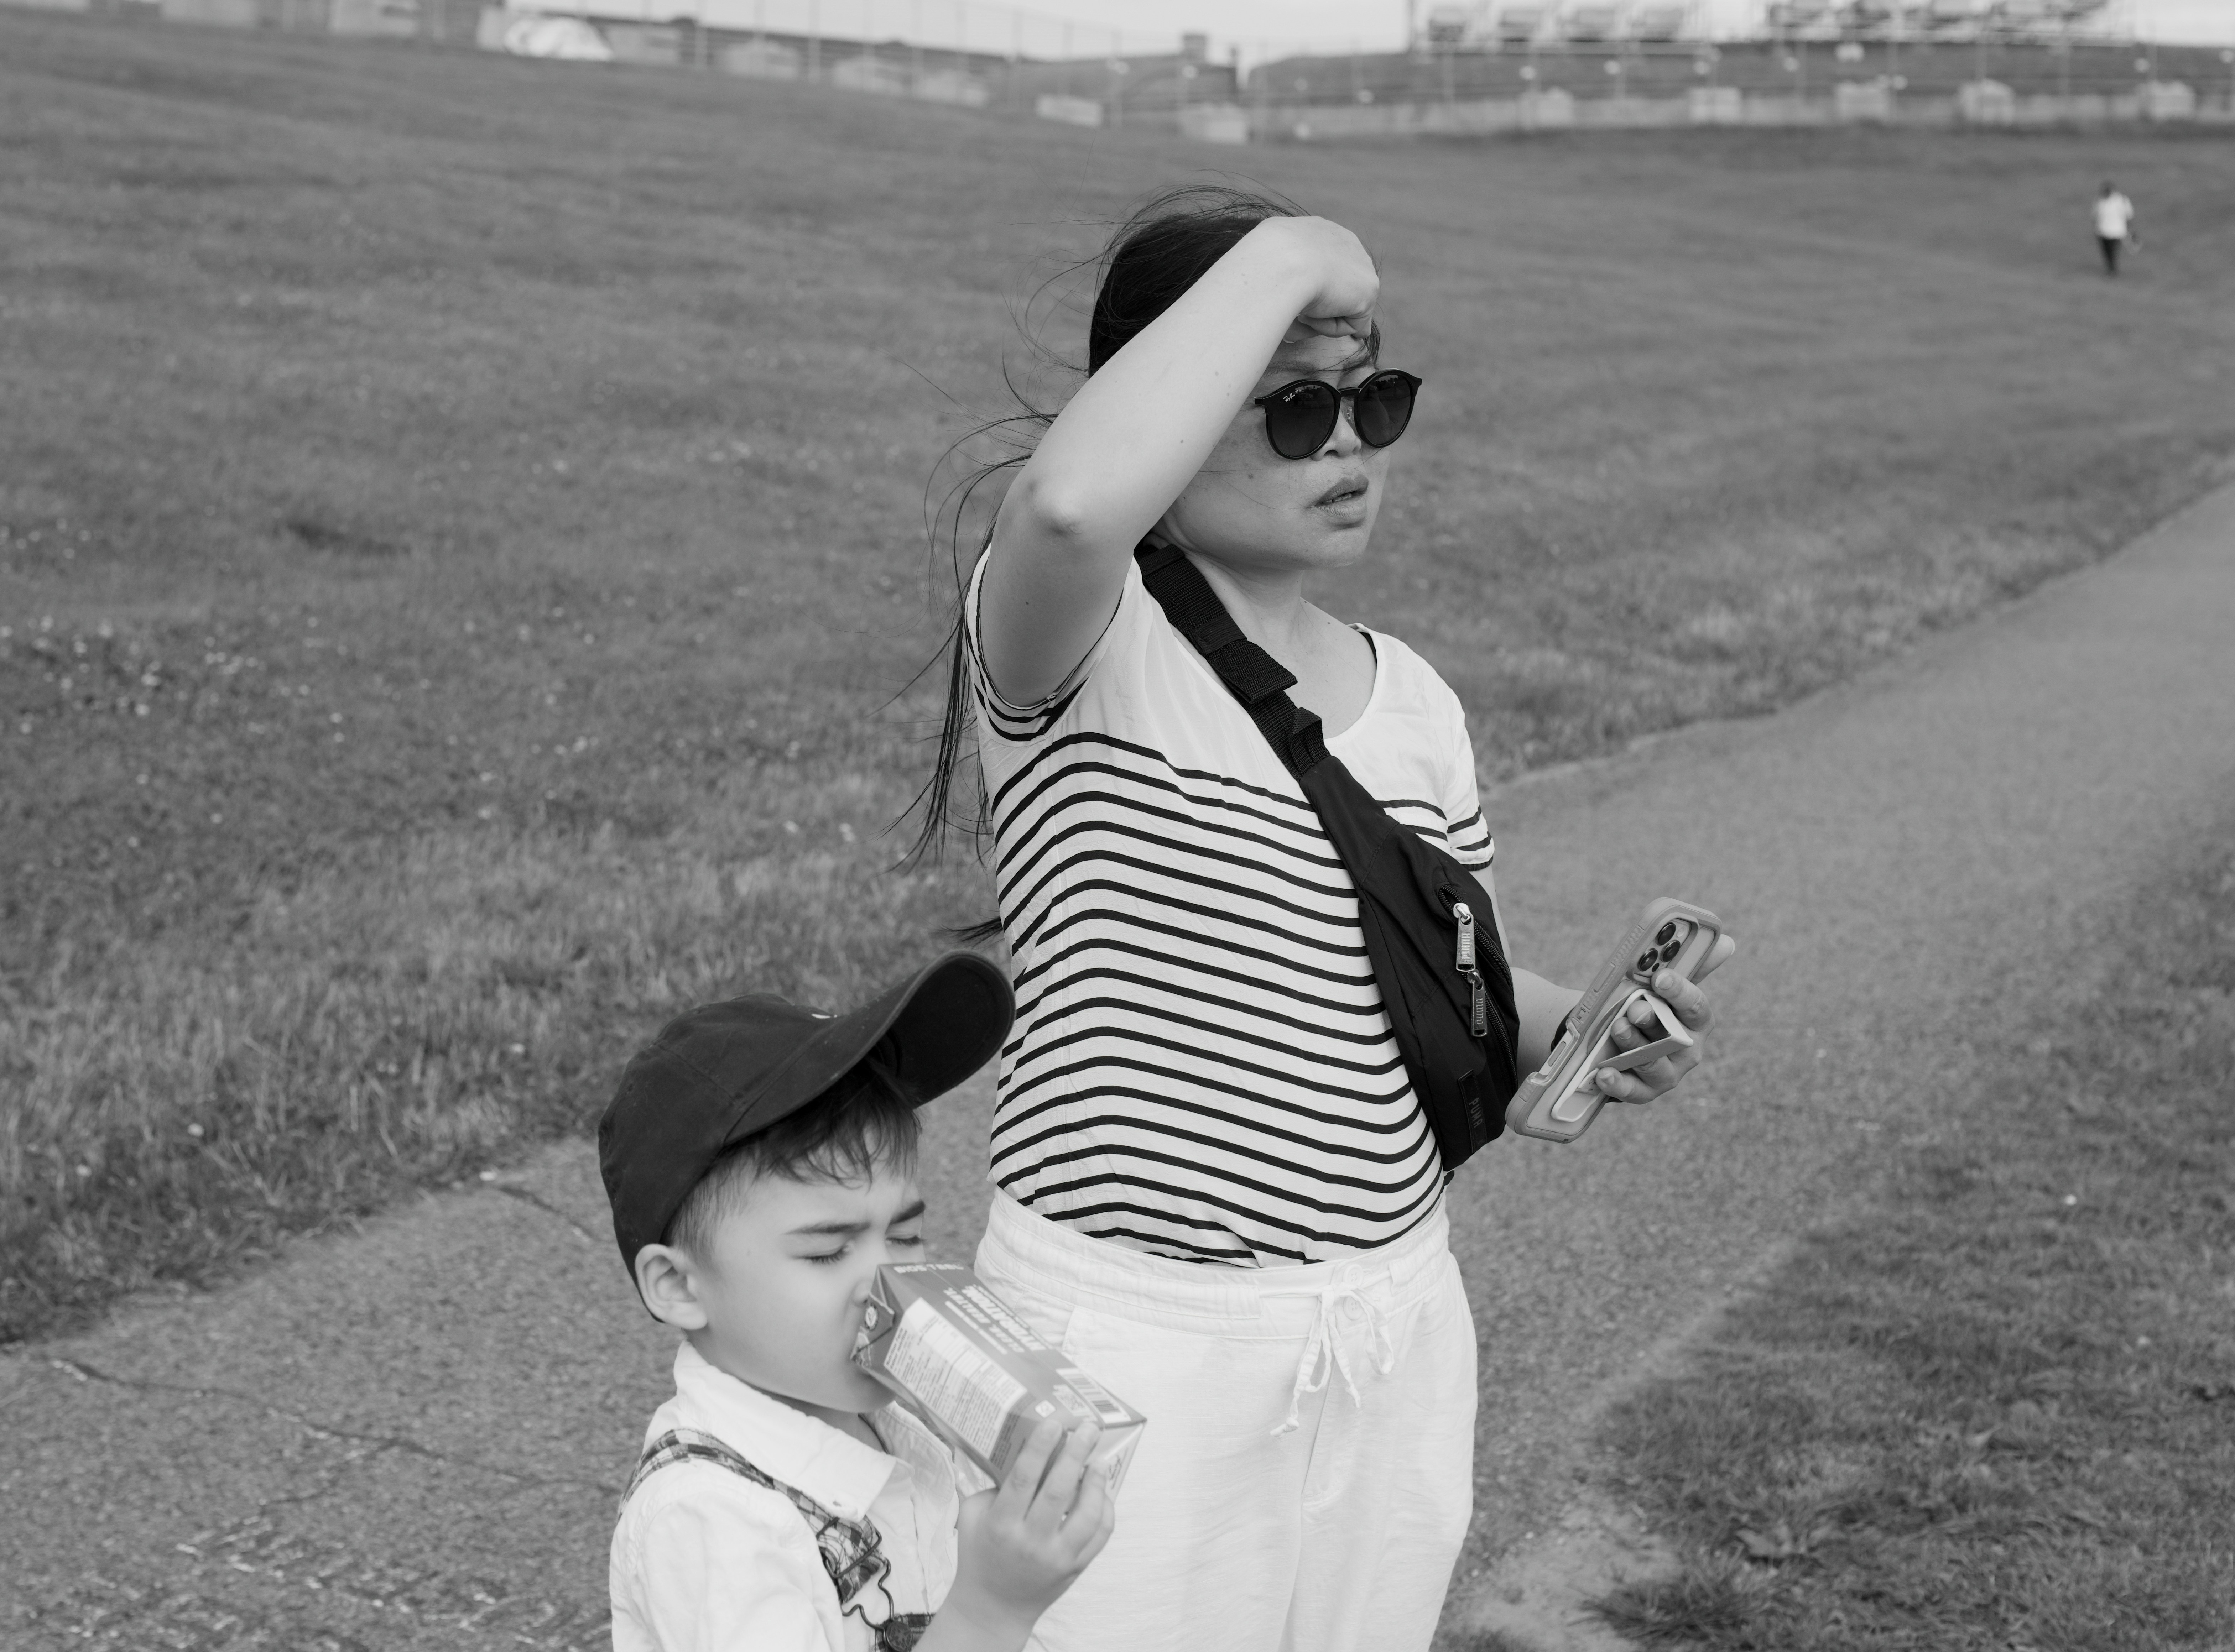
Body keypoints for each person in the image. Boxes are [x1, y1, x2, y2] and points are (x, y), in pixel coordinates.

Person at [910, 187, 1720, 1652]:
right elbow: (1076, 498)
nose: (1346, 444)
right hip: (1135, 1337)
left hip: (1393, 1323)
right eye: (1290, 410)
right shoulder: (1082, 639)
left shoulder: (1411, 695)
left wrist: (1573, 1024)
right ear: (1174, 402)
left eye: (1374, 401)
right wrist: (1300, 249)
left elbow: (1405, 970)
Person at [598, 952, 1116, 1652]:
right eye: (826, 1251)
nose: (886, 1286)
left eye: (904, 1234)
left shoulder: (896, 1412)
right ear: (681, 1286)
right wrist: (993, 1610)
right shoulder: (711, 1521)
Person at [2094, 180, 2136, 276]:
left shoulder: (2122, 200)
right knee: (2106, 252)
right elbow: (2095, 216)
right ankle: (2110, 268)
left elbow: (2128, 216)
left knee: (2113, 252)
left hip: (2117, 232)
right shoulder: (2099, 201)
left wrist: (2130, 231)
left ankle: (2112, 270)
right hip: (2103, 231)